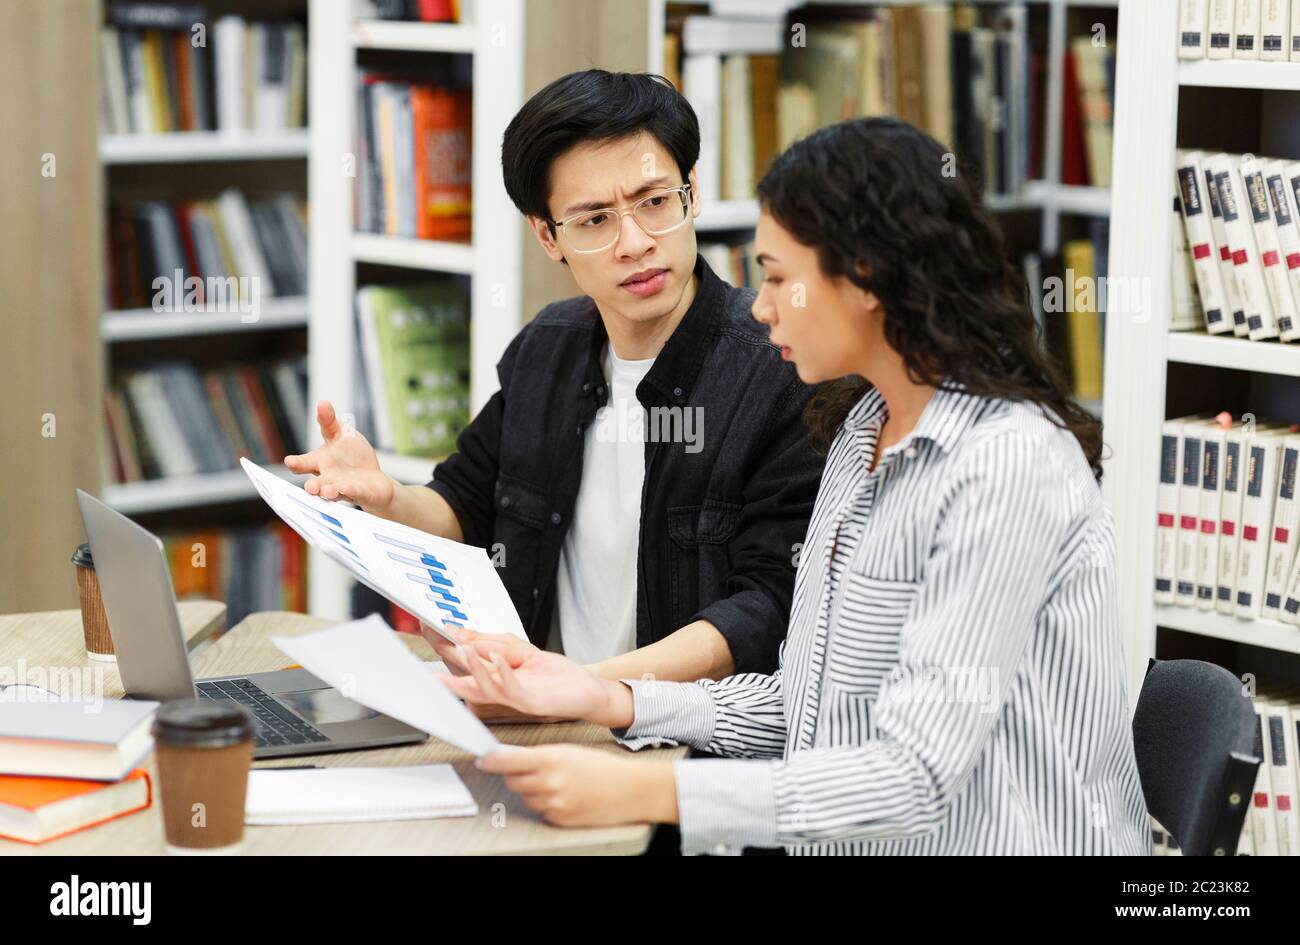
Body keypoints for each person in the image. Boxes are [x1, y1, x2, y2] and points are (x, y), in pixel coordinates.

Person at [441, 117, 1149, 855]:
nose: (760, 305)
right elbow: (807, 707)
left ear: (866, 276)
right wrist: (608, 697)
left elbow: (912, 778)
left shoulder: (1005, 466)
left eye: (779, 277)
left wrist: (651, 790)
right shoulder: (860, 431)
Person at [285, 71, 823, 689]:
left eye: (654, 201)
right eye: (594, 219)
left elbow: (765, 609)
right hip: (539, 717)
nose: (635, 242)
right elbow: (463, 507)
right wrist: (384, 495)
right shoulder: (549, 347)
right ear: (549, 236)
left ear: (692, 194)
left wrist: (587, 688)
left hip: (682, 745)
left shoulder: (780, 368)